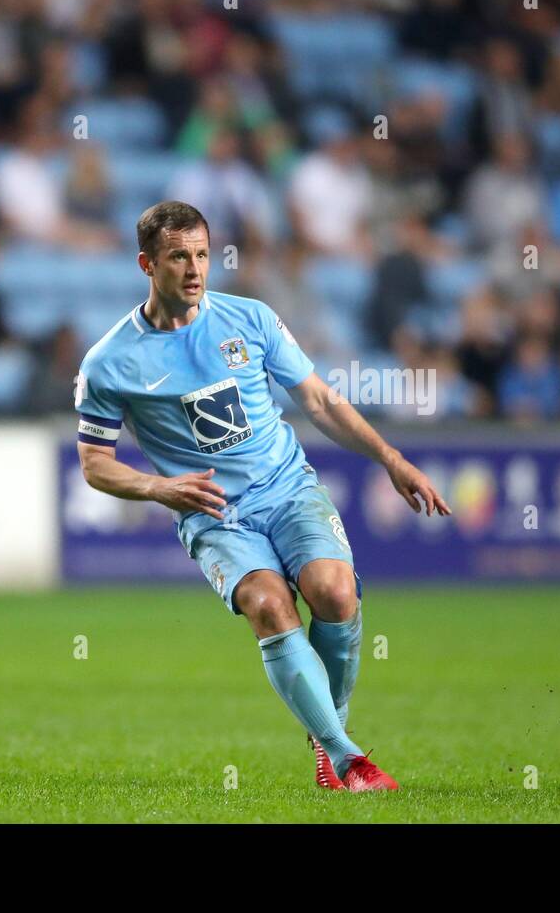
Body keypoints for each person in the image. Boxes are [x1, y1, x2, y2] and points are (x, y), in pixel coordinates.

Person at [74, 201, 451, 792]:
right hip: (216, 516)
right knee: (271, 608)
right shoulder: (109, 362)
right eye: (178, 257)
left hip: (287, 488)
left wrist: (392, 460)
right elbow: (95, 464)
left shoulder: (250, 319)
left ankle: (331, 733)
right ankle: (348, 758)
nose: (195, 269)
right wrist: (158, 486)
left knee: (333, 592)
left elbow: (320, 401)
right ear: (147, 264)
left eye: (202, 254)